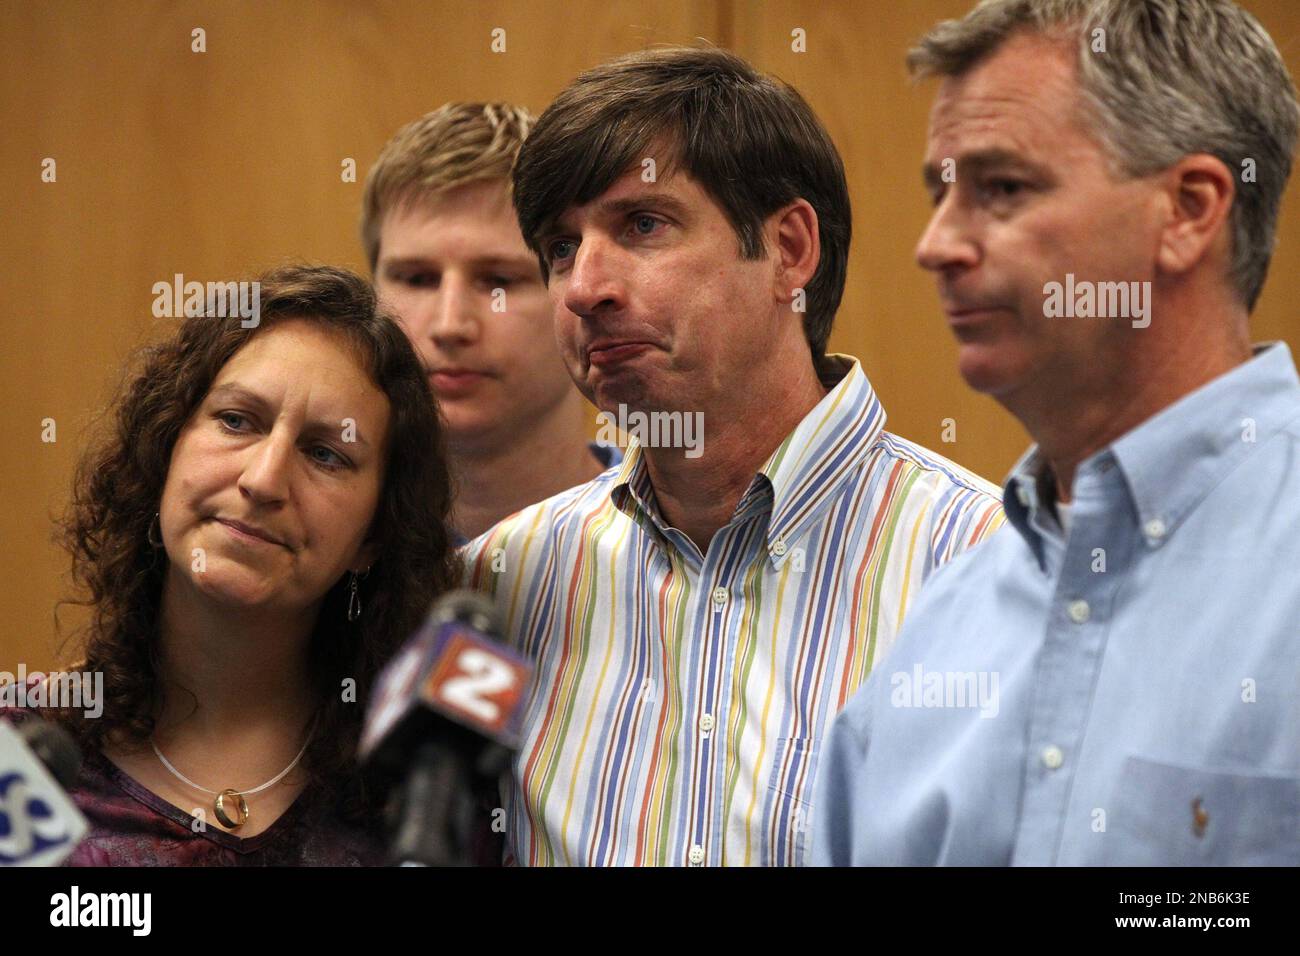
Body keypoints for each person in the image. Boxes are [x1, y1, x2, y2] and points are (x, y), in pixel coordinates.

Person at [461, 46, 1006, 866]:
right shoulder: (496, 583)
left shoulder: (993, 568)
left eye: (642, 225)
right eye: (562, 247)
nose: (582, 289)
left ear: (789, 250)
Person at [812, 0, 1300, 866]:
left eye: (1001, 188)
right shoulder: (936, 631)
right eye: (941, 191)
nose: (935, 244)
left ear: (1187, 210)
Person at [2, 265, 459, 865]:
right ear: (165, 446)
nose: (264, 479)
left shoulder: (421, 796)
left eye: (325, 454)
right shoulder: (19, 756)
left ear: (374, 535)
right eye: (237, 420)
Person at [362, 103, 619, 544]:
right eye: (417, 280)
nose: (450, 325)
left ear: (576, 292)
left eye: (498, 280)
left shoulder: (673, 547)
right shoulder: (320, 555)